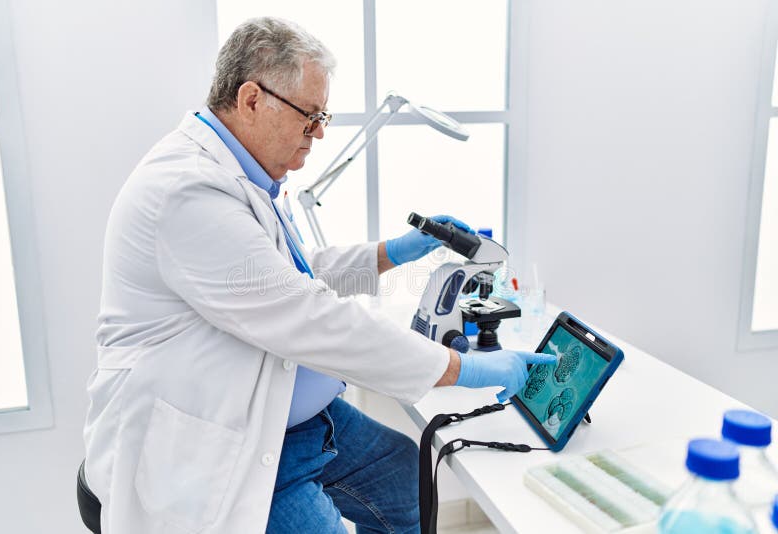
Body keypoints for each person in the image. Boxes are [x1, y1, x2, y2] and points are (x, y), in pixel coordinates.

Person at [83, 16, 555, 534]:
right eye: (309, 116)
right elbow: (309, 318)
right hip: (225, 443)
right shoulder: (187, 192)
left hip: (302, 420)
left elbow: (283, 279)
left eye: (322, 115)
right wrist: (470, 371)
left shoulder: (246, 176)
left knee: (409, 486)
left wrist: (392, 253)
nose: (321, 132)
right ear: (251, 99)